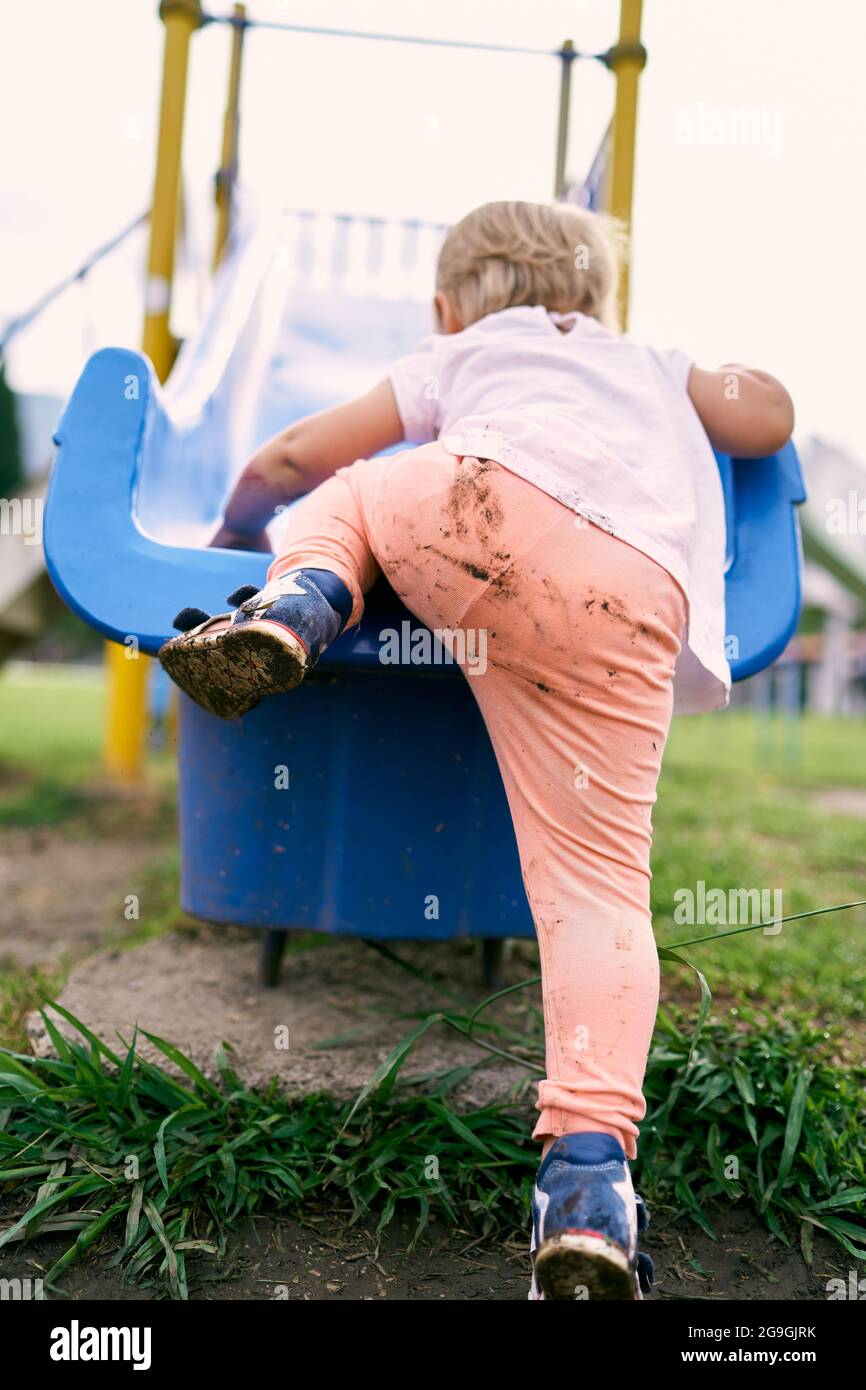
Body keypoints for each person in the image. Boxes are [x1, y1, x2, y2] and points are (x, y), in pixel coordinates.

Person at [159, 200, 793, 1299]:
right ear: (591, 301)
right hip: (623, 588)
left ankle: (301, 600)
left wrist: (231, 532)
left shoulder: (457, 351)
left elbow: (297, 448)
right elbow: (767, 420)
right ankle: (588, 1181)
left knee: (349, 491)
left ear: (446, 306)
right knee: (598, 886)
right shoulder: (649, 360)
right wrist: (715, 376)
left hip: (462, 505)